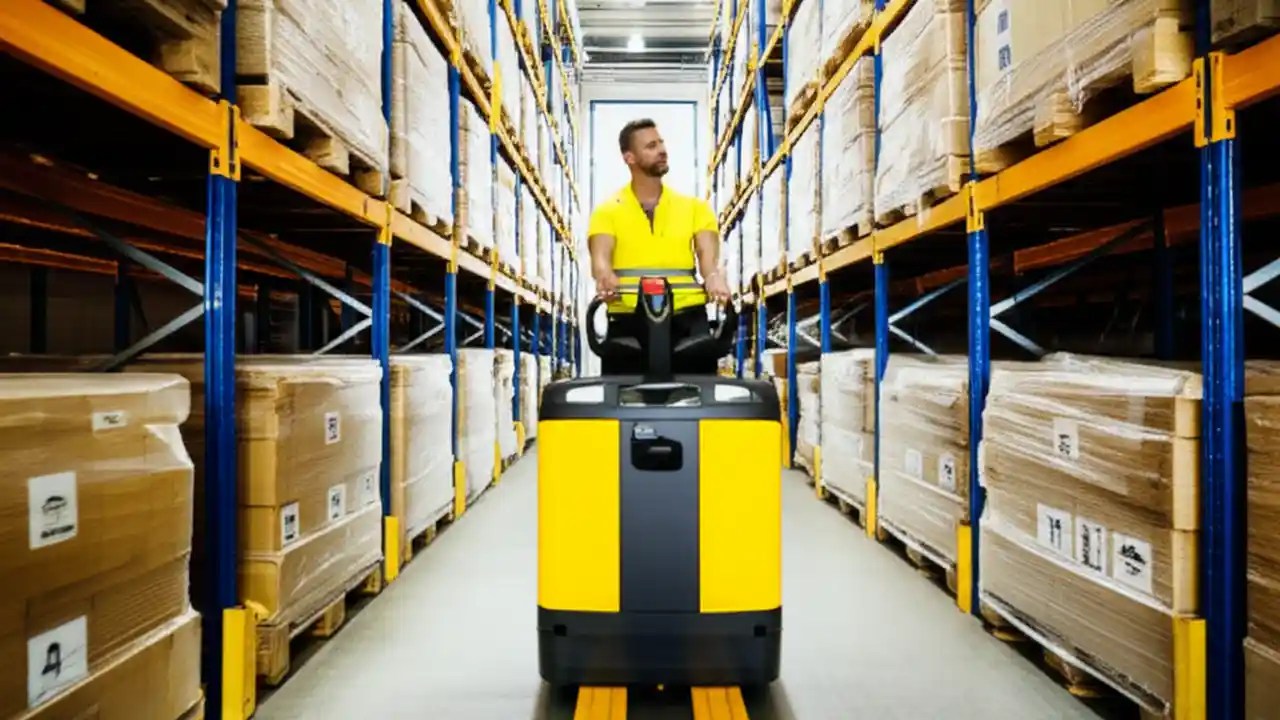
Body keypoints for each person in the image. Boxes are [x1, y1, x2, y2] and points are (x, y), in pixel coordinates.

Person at [587, 118, 731, 375]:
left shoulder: (695, 209)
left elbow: (708, 262)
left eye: (661, 143)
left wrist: (713, 278)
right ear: (629, 157)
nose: (662, 150)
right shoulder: (606, 212)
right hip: (628, 324)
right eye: (651, 146)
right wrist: (604, 276)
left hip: (689, 324)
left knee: (697, 402)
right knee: (625, 403)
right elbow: (600, 260)